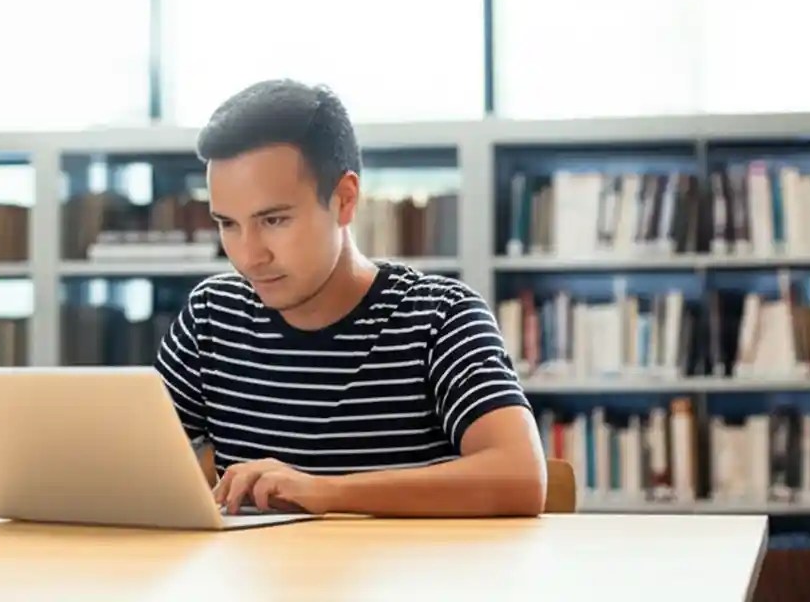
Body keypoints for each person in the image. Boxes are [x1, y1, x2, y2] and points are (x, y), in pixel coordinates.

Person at [153, 79, 547, 518]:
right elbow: (121, 458)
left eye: (274, 220)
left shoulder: (438, 317)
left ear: (344, 199)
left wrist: (323, 493)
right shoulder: (212, 316)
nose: (249, 256)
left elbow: (522, 477)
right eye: (228, 224)